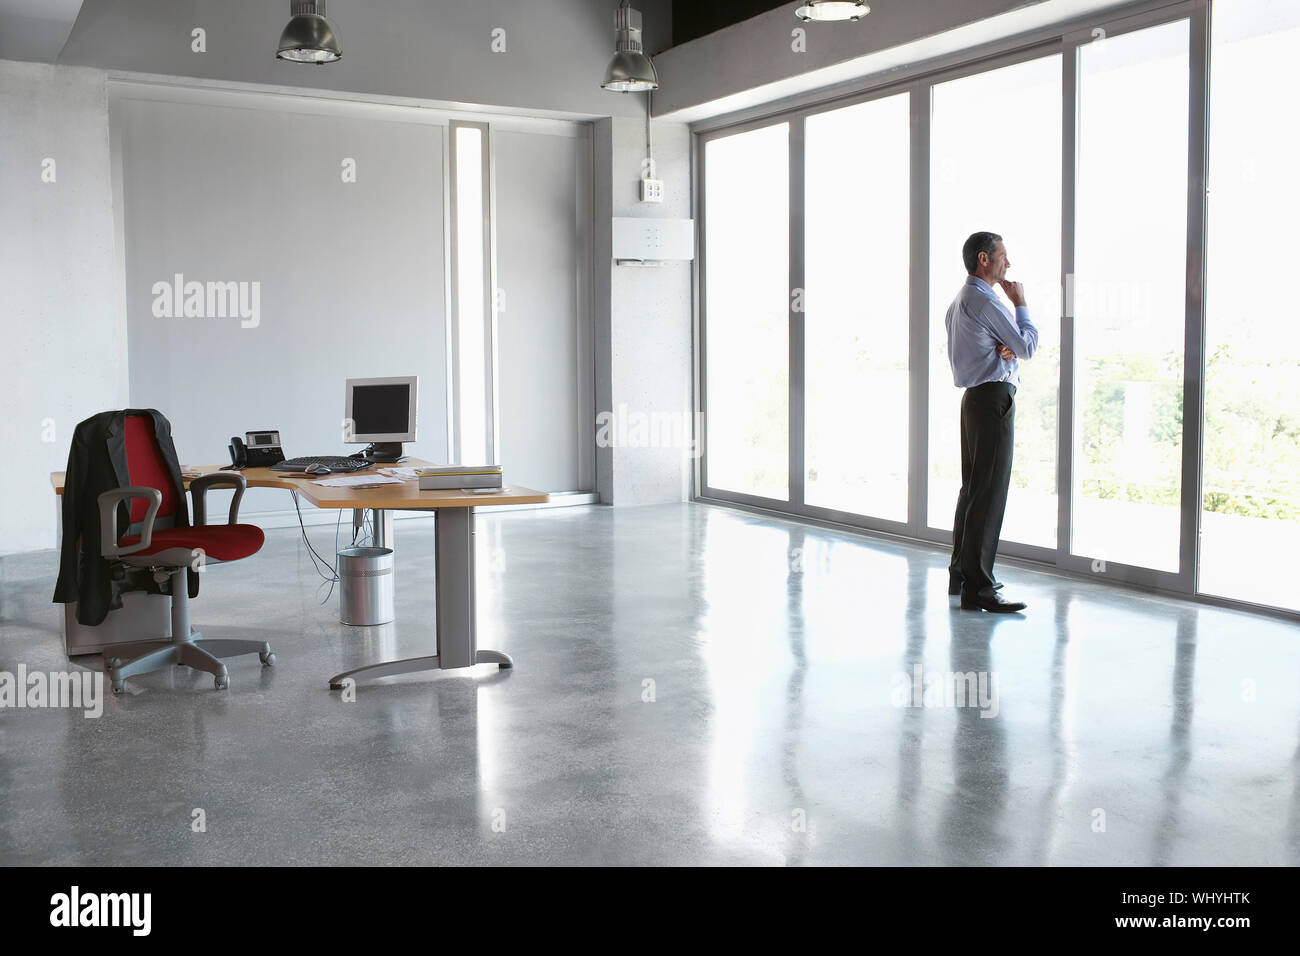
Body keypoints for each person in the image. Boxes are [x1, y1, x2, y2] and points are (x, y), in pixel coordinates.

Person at [945, 232, 1039, 613]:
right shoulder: (985, 300)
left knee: (973, 490)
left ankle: (961, 575)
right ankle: (980, 588)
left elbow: (997, 346)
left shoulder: (960, 301)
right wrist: (1021, 305)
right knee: (990, 491)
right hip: (993, 400)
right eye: (1003, 257)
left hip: (974, 401)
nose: (1008, 264)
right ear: (985, 259)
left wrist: (1005, 348)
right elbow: (1027, 345)